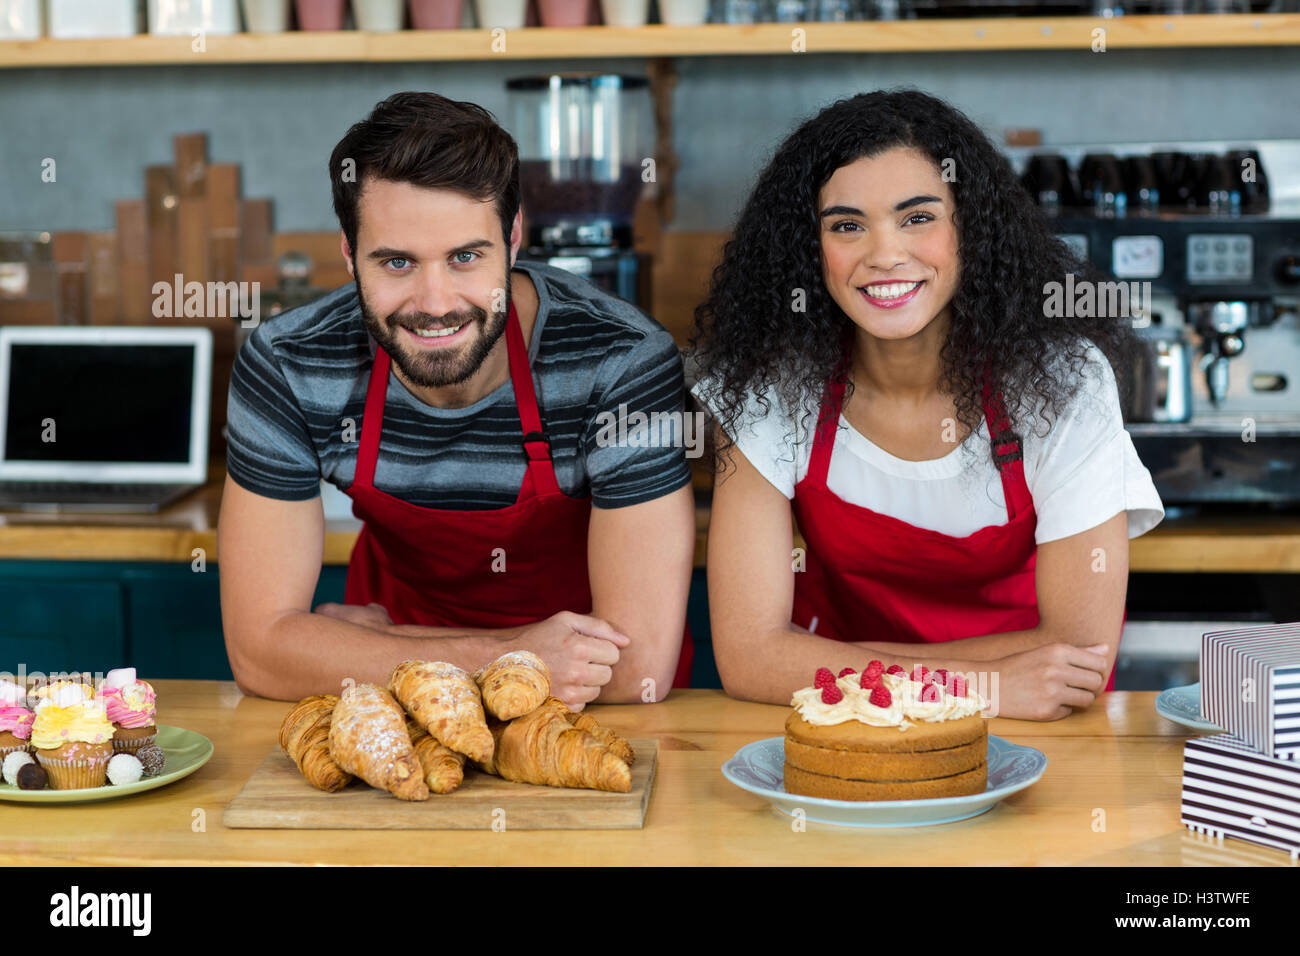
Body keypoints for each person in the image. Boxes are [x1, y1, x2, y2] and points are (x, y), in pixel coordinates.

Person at [691, 89, 1164, 721]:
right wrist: (982, 686)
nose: (885, 254)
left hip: (1036, 732)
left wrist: (837, 664)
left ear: (973, 227)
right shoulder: (769, 387)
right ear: (809, 248)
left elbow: (1079, 655)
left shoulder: (1064, 383)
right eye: (847, 225)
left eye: (918, 218)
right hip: (849, 727)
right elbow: (752, 658)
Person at [218, 92, 695, 710]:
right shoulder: (289, 363)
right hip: (397, 712)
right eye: (396, 262)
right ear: (348, 253)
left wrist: (372, 647)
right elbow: (260, 654)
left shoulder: (621, 361)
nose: (435, 302)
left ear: (515, 237)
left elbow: (637, 670)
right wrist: (512, 655)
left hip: (588, 715)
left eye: (466, 257)